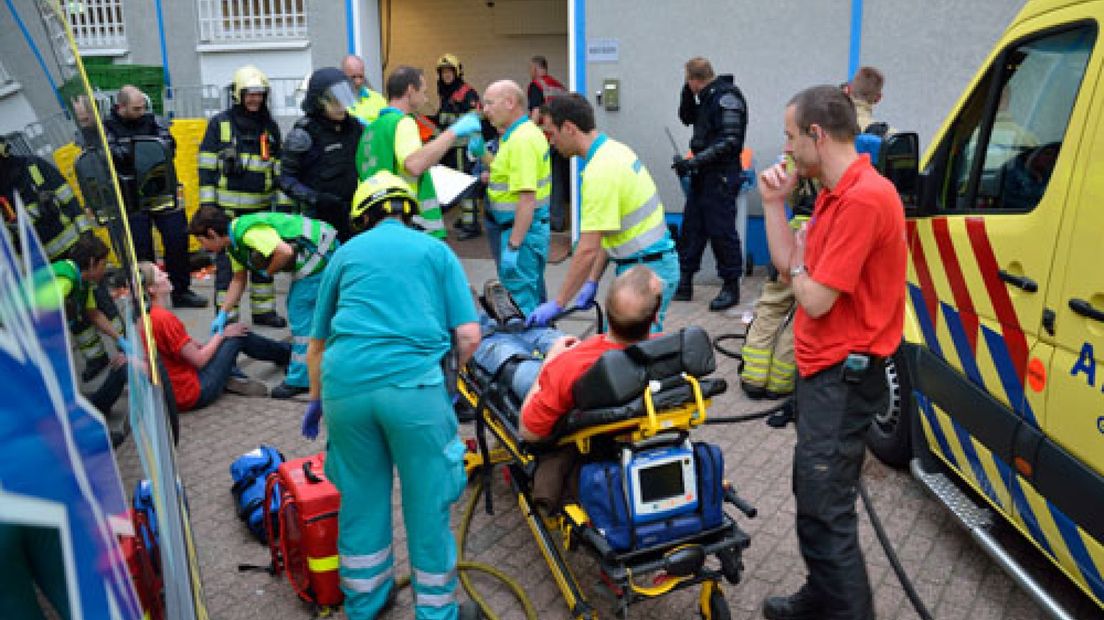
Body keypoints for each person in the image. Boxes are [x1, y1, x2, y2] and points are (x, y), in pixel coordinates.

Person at [300, 171, 482, 620]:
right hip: (413, 392)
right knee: (428, 501)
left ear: (362, 216)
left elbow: (317, 344)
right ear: (409, 210)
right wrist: (451, 390)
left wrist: (317, 399)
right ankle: (436, 611)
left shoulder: (344, 254)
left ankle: (366, 603)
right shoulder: (436, 251)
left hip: (346, 389)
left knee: (360, 499)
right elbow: (470, 336)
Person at [757, 85, 907, 620]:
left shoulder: (865, 198)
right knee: (813, 493)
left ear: (817, 135)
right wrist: (773, 203)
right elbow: (786, 265)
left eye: (791, 137)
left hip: (844, 375)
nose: (788, 149)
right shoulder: (832, 192)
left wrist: (800, 267)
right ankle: (821, 595)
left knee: (827, 508)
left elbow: (815, 297)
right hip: (823, 370)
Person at [529, 93, 680, 331]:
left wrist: (558, 304)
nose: (551, 142)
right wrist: (592, 280)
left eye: (551, 133)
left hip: (647, 272)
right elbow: (607, 234)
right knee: (629, 352)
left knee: (630, 356)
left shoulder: (601, 171)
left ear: (568, 128)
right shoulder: (614, 150)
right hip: (648, 266)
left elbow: (588, 249)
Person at [188, 205, 339, 400]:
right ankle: (316, 365)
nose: (203, 248)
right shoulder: (235, 245)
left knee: (300, 311)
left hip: (320, 256)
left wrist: (267, 273)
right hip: (320, 250)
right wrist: (223, 313)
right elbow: (238, 280)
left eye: (201, 241)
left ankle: (301, 380)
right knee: (316, 314)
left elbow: (283, 252)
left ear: (211, 233)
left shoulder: (247, 233)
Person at [198, 65, 293, 329]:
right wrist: (208, 208)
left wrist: (282, 211)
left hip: (259, 211)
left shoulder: (269, 127)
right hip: (225, 214)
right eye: (250, 94)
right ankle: (226, 318)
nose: (255, 99)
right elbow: (206, 167)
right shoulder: (220, 124)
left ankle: (264, 312)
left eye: (260, 94)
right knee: (228, 271)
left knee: (262, 260)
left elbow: (278, 170)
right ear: (238, 95)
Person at [105, 85, 207, 310]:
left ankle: (181, 291)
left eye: (143, 107)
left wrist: (135, 153)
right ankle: (147, 299)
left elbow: (167, 147)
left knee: (177, 240)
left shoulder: (155, 122)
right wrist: (138, 154)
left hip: (160, 190)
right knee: (141, 249)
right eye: (136, 108)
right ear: (120, 107)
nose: (142, 112)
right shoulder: (107, 129)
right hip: (131, 198)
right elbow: (111, 158)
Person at [138, 261, 290, 410]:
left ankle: (231, 375)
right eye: (160, 274)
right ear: (151, 288)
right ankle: (289, 353)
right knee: (237, 335)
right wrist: (222, 335)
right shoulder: (164, 318)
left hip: (173, 392)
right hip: (192, 392)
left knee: (222, 341)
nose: (166, 274)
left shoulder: (144, 317)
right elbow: (199, 360)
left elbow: (178, 349)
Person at [356, 65, 483, 240]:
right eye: (423, 91)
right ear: (410, 90)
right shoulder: (403, 123)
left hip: (379, 219)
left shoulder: (374, 128)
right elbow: (414, 165)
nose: (426, 96)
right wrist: (454, 132)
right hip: (407, 221)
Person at [672, 57, 748, 312]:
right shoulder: (704, 97)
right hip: (703, 174)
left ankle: (730, 286)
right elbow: (686, 117)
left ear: (695, 79)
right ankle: (684, 282)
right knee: (692, 228)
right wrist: (687, 90)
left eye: (688, 81)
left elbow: (730, 141)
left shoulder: (727, 98)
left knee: (721, 231)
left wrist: (694, 162)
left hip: (721, 174)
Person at [471, 80, 551, 315]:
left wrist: (513, 247)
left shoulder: (521, 141)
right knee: (531, 298)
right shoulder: (516, 135)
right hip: (523, 231)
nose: (484, 110)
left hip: (521, 234)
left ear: (510, 102)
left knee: (522, 305)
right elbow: (506, 174)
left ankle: (532, 349)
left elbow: (527, 199)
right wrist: (484, 156)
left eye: (489, 103)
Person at [44, 234, 128, 417]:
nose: (104, 270)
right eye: (103, 264)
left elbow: (94, 314)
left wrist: (120, 339)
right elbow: (43, 312)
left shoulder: (83, 282)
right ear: (91, 262)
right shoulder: (65, 279)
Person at [280, 67, 363, 243]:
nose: (342, 107)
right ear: (318, 102)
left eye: (344, 100)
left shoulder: (356, 128)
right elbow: (285, 179)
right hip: (319, 221)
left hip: (354, 216)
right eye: (335, 102)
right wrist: (316, 199)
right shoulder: (303, 134)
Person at [434, 53, 483, 240]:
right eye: (443, 72)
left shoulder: (467, 92)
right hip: (450, 147)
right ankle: (464, 218)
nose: (446, 75)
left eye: (449, 71)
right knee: (454, 184)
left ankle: (471, 225)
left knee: (465, 184)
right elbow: (442, 122)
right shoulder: (446, 93)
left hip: (463, 147)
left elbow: (475, 118)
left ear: (457, 72)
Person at [526, 55, 570, 233]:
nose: (530, 72)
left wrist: (525, 132)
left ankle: (549, 220)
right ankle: (559, 220)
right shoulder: (559, 86)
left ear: (536, 68)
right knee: (558, 180)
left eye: (530, 68)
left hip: (545, 140)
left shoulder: (536, 86)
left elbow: (536, 114)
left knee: (545, 181)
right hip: (562, 139)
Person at [343, 54, 387, 125]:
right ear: (343, 76)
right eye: (353, 77)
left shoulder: (377, 98)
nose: (358, 82)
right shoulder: (337, 101)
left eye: (361, 76)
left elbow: (386, 125)